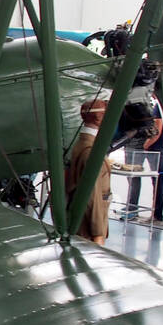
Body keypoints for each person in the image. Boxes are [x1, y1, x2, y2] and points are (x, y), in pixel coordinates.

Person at [66, 99, 113, 244]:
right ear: (99, 119)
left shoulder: (82, 145)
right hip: (87, 228)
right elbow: (93, 196)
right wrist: (98, 233)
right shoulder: (90, 152)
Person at [123, 94, 163, 221]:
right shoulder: (147, 108)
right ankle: (133, 207)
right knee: (135, 178)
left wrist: (146, 143)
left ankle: (132, 208)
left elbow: (157, 126)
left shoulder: (139, 108)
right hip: (137, 145)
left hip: (135, 146)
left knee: (133, 177)